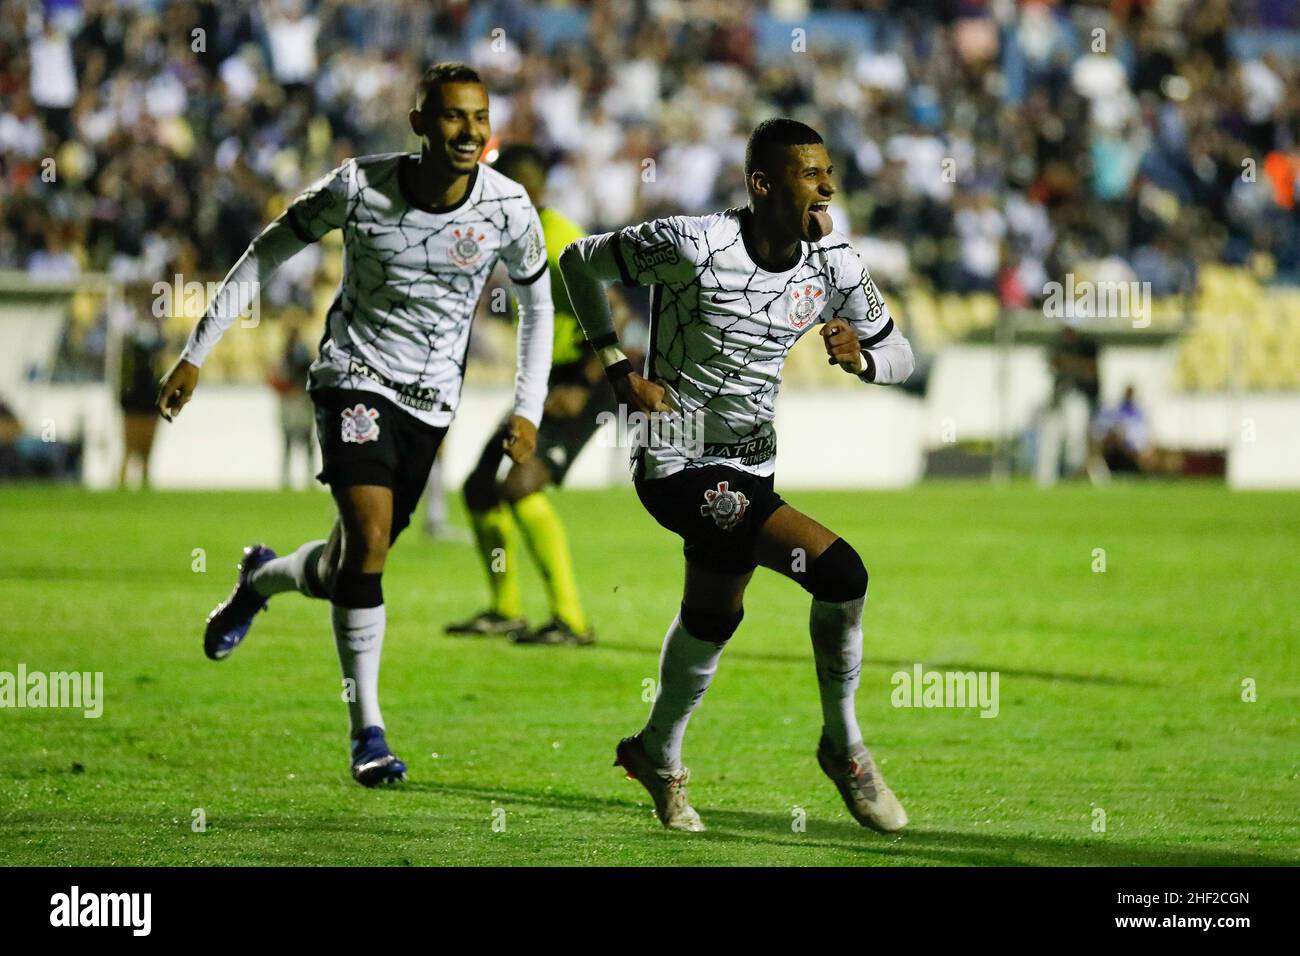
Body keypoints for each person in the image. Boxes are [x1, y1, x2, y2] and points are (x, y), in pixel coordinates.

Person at [155, 62, 554, 787]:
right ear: (420, 122)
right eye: (453, 116)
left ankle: (261, 580)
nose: (469, 130)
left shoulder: (507, 208)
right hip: (352, 379)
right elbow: (267, 250)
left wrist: (527, 406)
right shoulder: (357, 186)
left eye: (479, 116)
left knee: (350, 566)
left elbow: (540, 306)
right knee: (369, 540)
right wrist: (196, 351)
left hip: (431, 404)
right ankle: (367, 731)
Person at [558, 118, 915, 833]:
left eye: (828, 173)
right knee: (841, 574)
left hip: (753, 459)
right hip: (676, 457)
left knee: (714, 616)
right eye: (810, 174)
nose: (829, 187)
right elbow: (576, 262)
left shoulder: (835, 265)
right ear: (762, 185)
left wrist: (864, 359)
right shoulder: (691, 244)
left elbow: (901, 352)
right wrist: (617, 366)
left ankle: (656, 750)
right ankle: (843, 745)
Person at [446, 143, 622, 646]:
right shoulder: (517, 232)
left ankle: (571, 621)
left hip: (581, 383)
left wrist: (585, 383)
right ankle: (506, 610)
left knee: (519, 488)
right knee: (480, 487)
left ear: (528, 188)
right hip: (544, 384)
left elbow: (615, 314)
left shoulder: (561, 238)